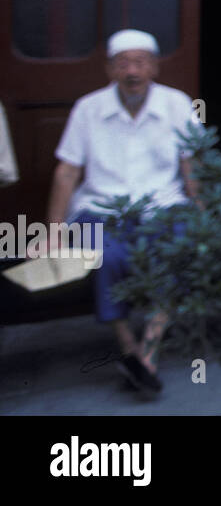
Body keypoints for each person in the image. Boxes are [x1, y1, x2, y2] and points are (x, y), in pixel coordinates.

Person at [35, 29, 198, 398]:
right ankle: (129, 349)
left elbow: (192, 166)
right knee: (106, 256)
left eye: (141, 62)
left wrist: (204, 212)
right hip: (99, 208)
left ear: (154, 67)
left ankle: (149, 351)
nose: (132, 71)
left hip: (163, 205)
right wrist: (53, 230)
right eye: (123, 63)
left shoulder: (177, 103)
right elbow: (67, 172)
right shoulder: (88, 108)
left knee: (179, 247)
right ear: (110, 69)